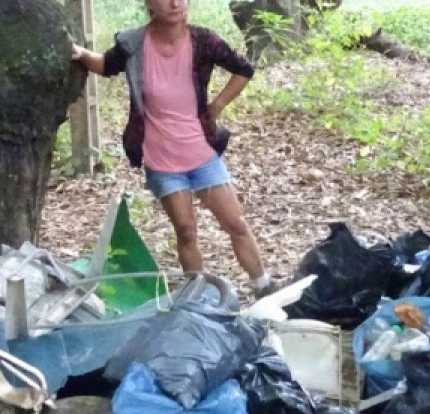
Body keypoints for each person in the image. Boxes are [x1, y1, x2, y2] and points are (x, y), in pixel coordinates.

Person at [70, 0, 281, 298]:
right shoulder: (133, 44)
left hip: (201, 153)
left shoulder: (203, 40)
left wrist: (217, 106)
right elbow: (106, 65)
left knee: (234, 222)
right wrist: (80, 54)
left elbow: (243, 69)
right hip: (162, 159)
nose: (175, 3)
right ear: (149, 5)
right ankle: (198, 296)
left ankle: (263, 284)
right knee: (186, 230)